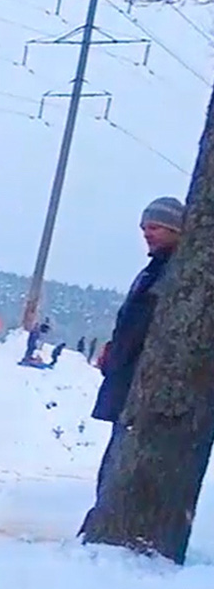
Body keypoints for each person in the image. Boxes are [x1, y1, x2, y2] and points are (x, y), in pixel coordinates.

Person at [88, 195, 184, 495]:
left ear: (177, 230)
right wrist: (113, 352)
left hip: (147, 383)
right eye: (144, 227)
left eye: (155, 227)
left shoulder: (179, 273)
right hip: (128, 378)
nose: (146, 233)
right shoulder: (150, 272)